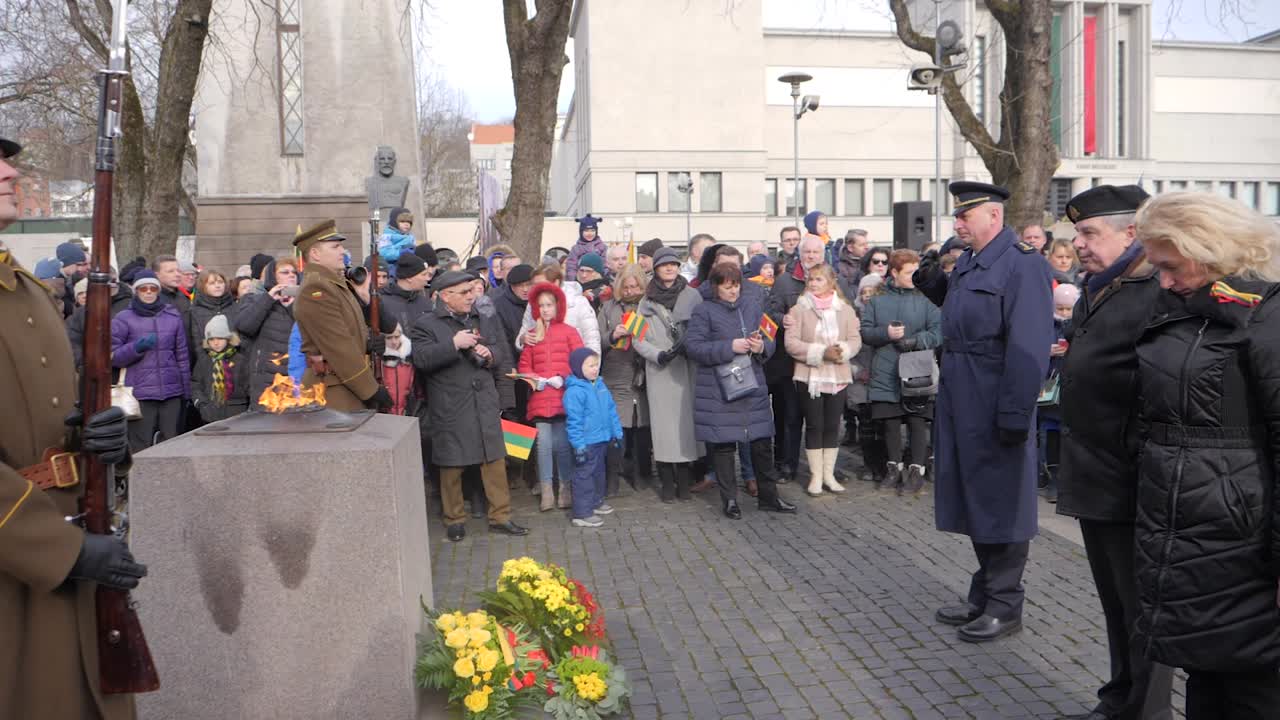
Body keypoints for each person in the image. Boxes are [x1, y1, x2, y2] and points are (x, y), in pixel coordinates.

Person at [0, 134, 143, 720]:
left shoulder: (26, 291)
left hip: (68, 534)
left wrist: (93, 439)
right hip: (23, 564)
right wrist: (61, 550)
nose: (10, 173)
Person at [1128, 191, 1280, 718]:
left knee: (1254, 686)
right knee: (1205, 677)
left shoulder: (1268, 317)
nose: (1163, 280)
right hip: (1186, 535)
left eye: (1171, 266)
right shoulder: (1187, 310)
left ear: (1209, 248)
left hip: (1243, 542)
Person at [913, 181, 1054, 643]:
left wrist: (1014, 411)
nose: (956, 223)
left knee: (1003, 500)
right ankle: (985, 593)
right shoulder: (971, 261)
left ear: (993, 216)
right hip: (961, 391)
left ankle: (1005, 604)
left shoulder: (1022, 264)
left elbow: (1029, 345)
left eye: (964, 215)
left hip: (995, 394)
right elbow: (965, 313)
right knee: (975, 494)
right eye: (956, 215)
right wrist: (933, 281)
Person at [1055, 186, 1170, 720]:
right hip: (1095, 470)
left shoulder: (1153, 290)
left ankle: (1145, 710)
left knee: (1141, 607)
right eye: (1077, 233)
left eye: (1089, 233)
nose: (1078, 244)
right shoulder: (1100, 286)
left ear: (1132, 234)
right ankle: (1119, 698)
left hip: (1130, 475)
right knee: (1115, 602)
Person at [410, 270, 527, 542]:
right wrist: (453, 344)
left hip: (484, 400)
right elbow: (422, 359)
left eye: (472, 290)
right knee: (452, 464)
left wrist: (490, 355)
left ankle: (501, 517)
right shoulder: (426, 324)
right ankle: (454, 519)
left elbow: (500, 349)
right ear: (445, 296)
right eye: (464, 292)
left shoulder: (483, 317)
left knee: (494, 460)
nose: (471, 296)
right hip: (450, 404)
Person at [685, 262, 797, 518]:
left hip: (752, 384)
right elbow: (694, 347)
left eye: (736, 286)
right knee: (724, 447)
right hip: (719, 388)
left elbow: (769, 337)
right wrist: (729, 347)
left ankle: (769, 497)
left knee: (761, 443)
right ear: (716, 287)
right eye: (727, 287)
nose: (733, 291)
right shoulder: (703, 311)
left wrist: (762, 347)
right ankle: (730, 501)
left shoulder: (752, 306)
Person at [861, 249, 942, 495]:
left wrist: (916, 340)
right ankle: (893, 468)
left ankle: (916, 471)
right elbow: (865, 332)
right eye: (909, 273)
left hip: (918, 368)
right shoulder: (877, 300)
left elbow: (939, 331)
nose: (914, 277)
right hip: (886, 368)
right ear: (894, 272)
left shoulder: (926, 299)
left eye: (916, 272)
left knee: (918, 422)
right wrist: (884, 333)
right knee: (890, 422)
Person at [291, 220, 393, 413]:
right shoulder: (316, 288)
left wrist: (366, 342)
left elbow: (347, 330)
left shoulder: (335, 284)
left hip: (346, 386)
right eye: (335, 246)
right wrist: (370, 390)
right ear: (315, 254)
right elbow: (338, 346)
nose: (342, 251)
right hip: (332, 391)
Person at [784, 263, 861, 497]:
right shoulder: (799, 309)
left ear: (831, 282)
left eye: (818, 279)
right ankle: (816, 476)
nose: (813, 283)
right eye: (811, 279)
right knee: (814, 425)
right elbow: (791, 343)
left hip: (837, 376)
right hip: (810, 377)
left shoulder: (845, 310)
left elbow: (855, 339)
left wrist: (842, 350)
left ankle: (829, 474)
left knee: (832, 425)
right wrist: (820, 352)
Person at [633, 247, 704, 501]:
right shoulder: (645, 301)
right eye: (664, 265)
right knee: (663, 430)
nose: (670, 268)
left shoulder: (693, 296)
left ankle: (684, 481)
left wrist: (691, 346)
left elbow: (703, 326)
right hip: (660, 371)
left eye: (674, 264)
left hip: (686, 369)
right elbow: (637, 338)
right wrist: (656, 355)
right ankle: (666, 482)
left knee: (685, 427)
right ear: (656, 269)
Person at [766, 234, 828, 483]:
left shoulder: (832, 279)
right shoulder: (784, 282)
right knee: (790, 416)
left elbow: (847, 309)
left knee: (821, 418)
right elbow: (769, 312)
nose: (811, 256)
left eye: (816, 252)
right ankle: (786, 464)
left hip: (823, 361)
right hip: (790, 362)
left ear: (823, 255)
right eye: (807, 252)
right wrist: (782, 319)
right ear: (800, 254)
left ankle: (822, 467)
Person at [517, 282, 584, 512]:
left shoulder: (569, 332)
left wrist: (563, 378)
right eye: (541, 305)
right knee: (543, 445)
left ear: (558, 306)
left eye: (549, 305)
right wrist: (535, 379)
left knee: (563, 445)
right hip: (540, 397)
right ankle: (547, 490)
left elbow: (579, 362)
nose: (545, 309)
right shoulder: (532, 335)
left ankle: (565, 488)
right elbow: (524, 365)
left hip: (563, 398)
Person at [111, 270, 191, 450]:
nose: (148, 292)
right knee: (141, 447)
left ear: (158, 291)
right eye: (143, 288)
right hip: (140, 394)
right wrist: (136, 348)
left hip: (171, 392)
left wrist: (186, 392)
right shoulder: (123, 319)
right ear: (136, 291)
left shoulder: (172, 317)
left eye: (153, 288)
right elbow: (112, 357)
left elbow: (182, 357)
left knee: (172, 444)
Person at [597, 263, 653, 493]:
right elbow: (596, 341)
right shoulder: (608, 308)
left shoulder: (648, 306)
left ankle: (641, 473)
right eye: (626, 287)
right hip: (615, 372)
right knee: (617, 427)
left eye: (635, 286)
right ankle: (614, 475)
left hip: (643, 373)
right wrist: (613, 335)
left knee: (642, 428)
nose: (630, 291)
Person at [563, 348, 624, 527]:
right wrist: (578, 445)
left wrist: (617, 433)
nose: (595, 369)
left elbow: (611, 411)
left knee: (599, 473)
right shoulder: (574, 392)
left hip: (602, 439)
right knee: (584, 476)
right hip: (586, 442)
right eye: (590, 365)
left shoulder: (600, 386)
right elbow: (574, 422)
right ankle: (581, 513)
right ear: (578, 367)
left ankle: (596, 502)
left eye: (596, 365)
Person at [235, 257, 299, 409]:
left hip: (295, 378)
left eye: (294, 272)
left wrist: (292, 306)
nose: (291, 275)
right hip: (267, 383)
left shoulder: (303, 301)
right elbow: (244, 326)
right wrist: (269, 298)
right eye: (285, 272)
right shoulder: (253, 299)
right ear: (272, 277)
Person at [850, 273, 887, 481]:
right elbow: (845, 351)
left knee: (882, 426)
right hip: (861, 380)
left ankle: (882, 465)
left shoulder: (886, 317)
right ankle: (868, 464)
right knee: (865, 425)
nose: (867, 296)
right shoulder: (853, 318)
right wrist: (857, 371)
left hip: (882, 380)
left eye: (872, 292)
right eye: (864, 292)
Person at [517, 263, 601, 354]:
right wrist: (522, 339)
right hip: (541, 359)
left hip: (572, 359)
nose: (537, 288)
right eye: (534, 285)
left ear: (556, 282)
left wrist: (592, 361)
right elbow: (524, 332)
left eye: (541, 284)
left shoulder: (578, 303)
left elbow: (592, 339)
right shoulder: (532, 304)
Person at [192, 314, 249, 423]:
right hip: (210, 414)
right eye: (211, 339)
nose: (216, 343)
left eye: (220, 338)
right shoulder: (204, 360)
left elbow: (250, 385)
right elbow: (196, 384)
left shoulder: (240, 360)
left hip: (237, 413)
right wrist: (201, 403)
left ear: (228, 339)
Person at [187, 269, 238, 363]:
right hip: (208, 363)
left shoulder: (235, 307)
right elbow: (197, 342)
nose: (217, 286)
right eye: (212, 283)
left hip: (235, 362)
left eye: (220, 282)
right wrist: (206, 363)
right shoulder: (195, 311)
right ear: (203, 286)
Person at [379, 252, 434, 335]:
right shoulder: (381, 303)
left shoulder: (427, 303)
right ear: (409, 277)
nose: (427, 279)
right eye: (423, 274)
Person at [379, 324, 418, 417]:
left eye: (396, 337)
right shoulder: (377, 360)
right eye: (389, 338)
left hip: (407, 414)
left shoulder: (411, 357)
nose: (394, 342)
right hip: (383, 416)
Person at [564, 214, 607, 280]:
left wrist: (604, 279)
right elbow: (571, 267)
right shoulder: (576, 249)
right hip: (581, 280)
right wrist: (574, 280)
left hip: (598, 281)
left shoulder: (602, 247)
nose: (589, 233)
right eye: (586, 230)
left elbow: (606, 265)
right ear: (581, 232)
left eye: (592, 230)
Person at [377, 207, 416, 275]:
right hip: (392, 268)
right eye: (402, 221)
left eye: (409, 222)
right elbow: (383, 253)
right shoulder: (387, 236)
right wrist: (400, 253)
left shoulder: (410, 237)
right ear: (394, 222)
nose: (407, 224)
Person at [152, 254, 191, 318]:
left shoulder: (184, 295)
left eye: (178, 271)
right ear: (157, 275)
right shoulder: (150, 299)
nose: (177, 274)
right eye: (170, 271)